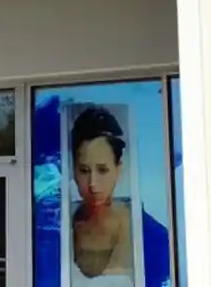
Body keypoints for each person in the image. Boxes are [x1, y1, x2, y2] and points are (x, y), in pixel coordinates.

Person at [70, 106, 134, 286]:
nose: (92, 184)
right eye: (84, 170)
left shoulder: (143, 230)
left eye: (103, 170)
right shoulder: (61, 224)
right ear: (73, 170)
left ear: (118, 169)